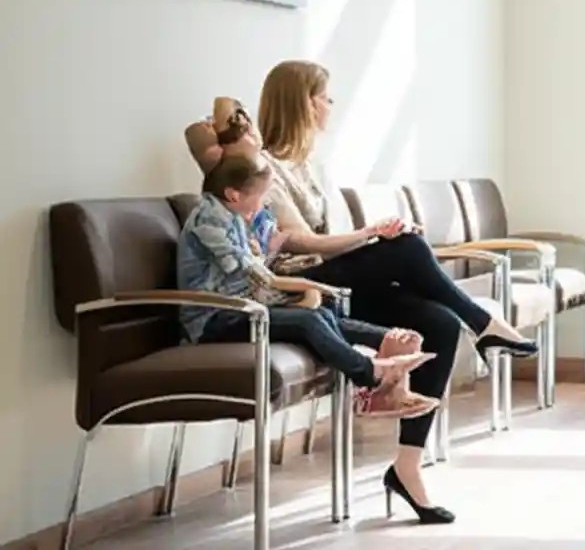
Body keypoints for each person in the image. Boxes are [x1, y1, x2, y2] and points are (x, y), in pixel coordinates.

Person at [184, 60, 537, 524]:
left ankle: (406, 467)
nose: (331, 105)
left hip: (338, 280)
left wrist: (375, 235)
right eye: (325, 97)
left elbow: (336, 234)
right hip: (304, 283)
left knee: (440, 322)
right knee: (407, 247)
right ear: (304, 103)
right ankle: (485, 326)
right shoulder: (259, 168)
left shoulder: (312, 167)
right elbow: (300, 242)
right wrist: (372, 235)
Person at [177, 154, 439, 420]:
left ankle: (385, 357)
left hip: (243, 309)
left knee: (323, 314)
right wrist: (308, 286)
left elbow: (251, 271)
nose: (264, 202)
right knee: (308, 320)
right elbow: (259, 276)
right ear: (233, 194)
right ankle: (371, 375)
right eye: (260, 195)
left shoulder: (231, 216)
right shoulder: (209, 221)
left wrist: (269, 250)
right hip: (215, 320)